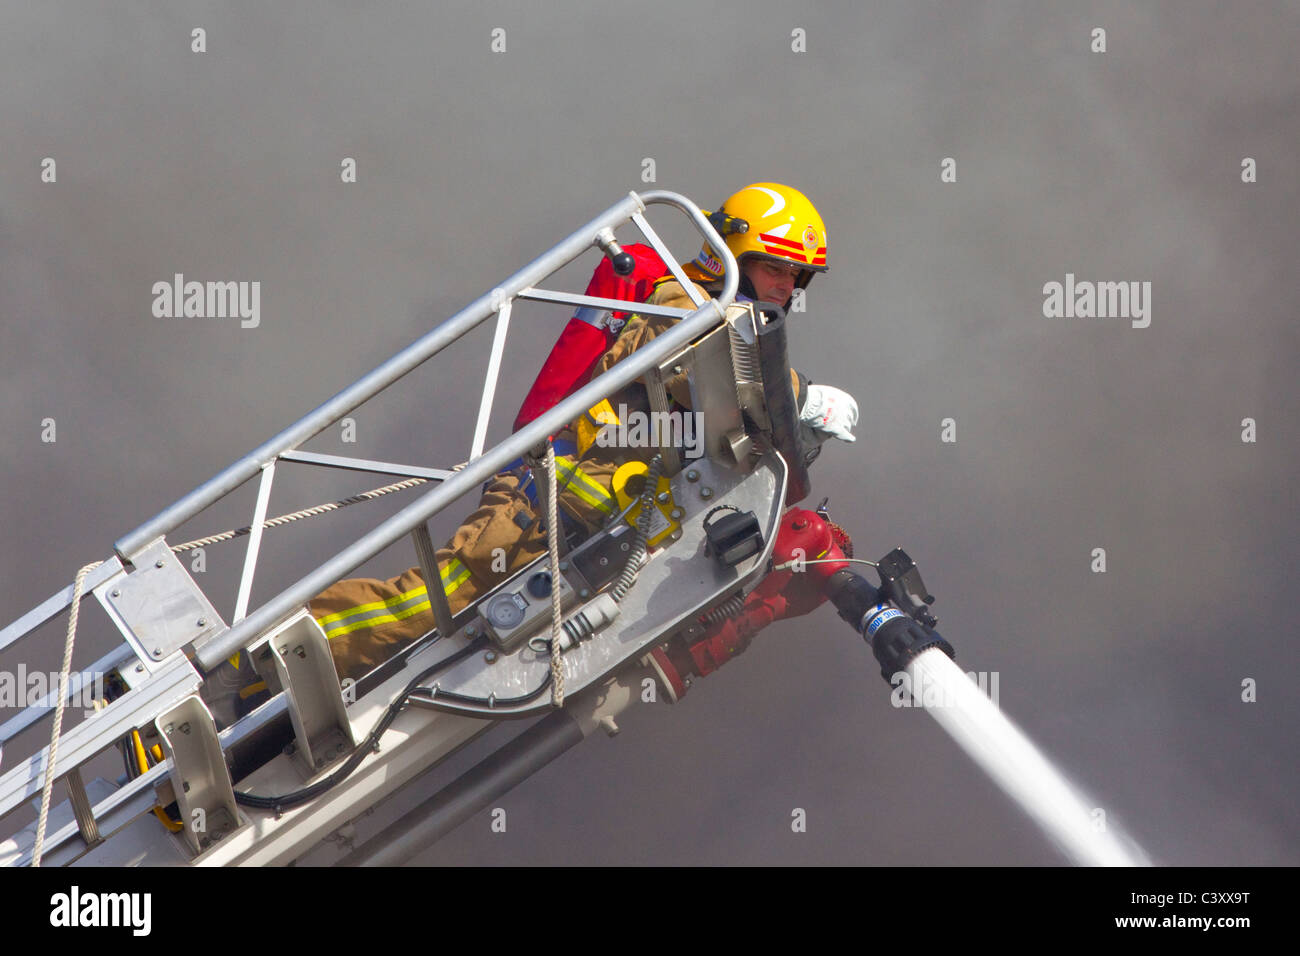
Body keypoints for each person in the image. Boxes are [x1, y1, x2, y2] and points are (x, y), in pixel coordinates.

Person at [310, 182, 858, 684]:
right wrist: (802, 396)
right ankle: (276, 655)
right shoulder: (680, 303)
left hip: (590, 532)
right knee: (426, 608)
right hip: (541, 509)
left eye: (797, 277)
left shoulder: (729, 325)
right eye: (774, 269)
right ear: (729, 253)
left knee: (453, 649)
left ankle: (304, 684)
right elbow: (712, 366)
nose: (787, 288)